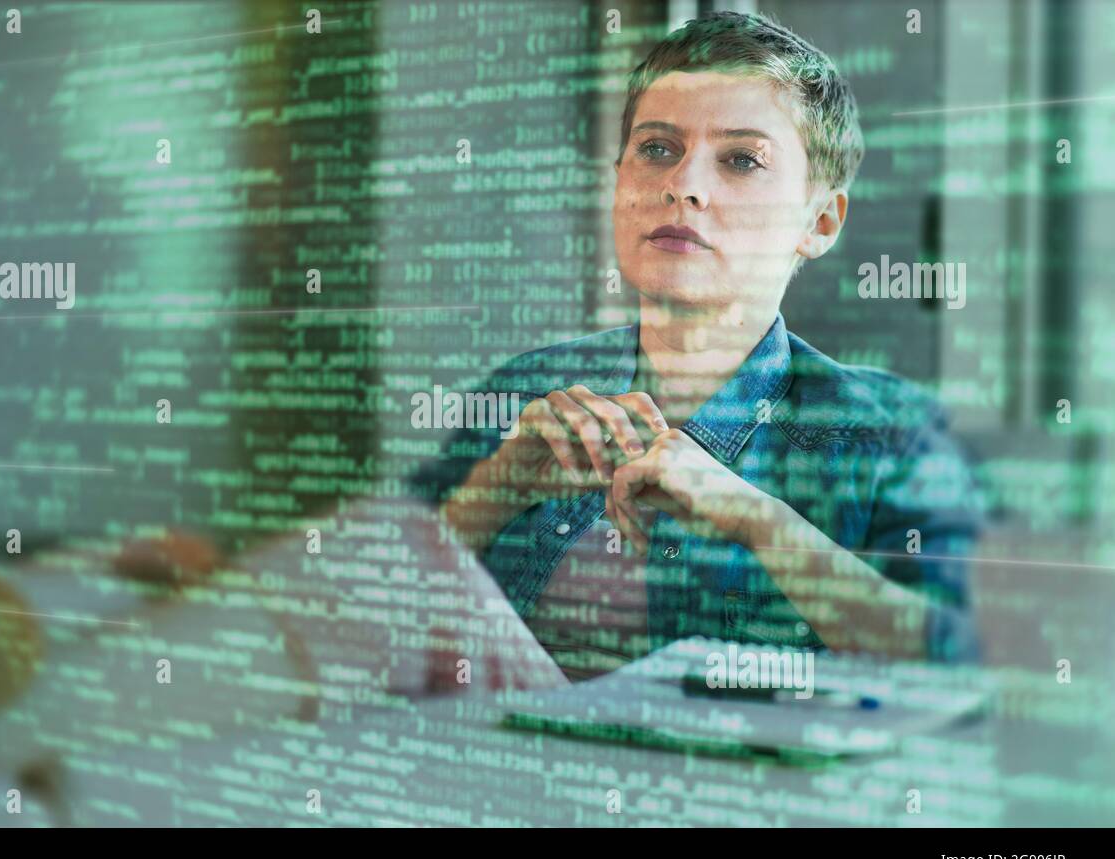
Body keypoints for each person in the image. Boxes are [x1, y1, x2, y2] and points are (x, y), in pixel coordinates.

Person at [414, 11, 982, 680]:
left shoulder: (891, 437)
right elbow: (361, 630)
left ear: (820, 220)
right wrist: (492, 490)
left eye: (741, 159)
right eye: (657, 148)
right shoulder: (522, 391)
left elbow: (973, 670)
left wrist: (756, 520)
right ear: (617, 180)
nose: (682, 185)